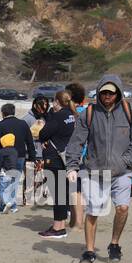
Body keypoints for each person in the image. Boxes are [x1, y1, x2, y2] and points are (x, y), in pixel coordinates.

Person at [63, 74, 132, 263]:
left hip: (122, 172)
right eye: (104, 92)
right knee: (93, 212)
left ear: (117, 93)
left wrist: (126, 160)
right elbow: (76, 142)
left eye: (111, 92)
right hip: (95, 171)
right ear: (99, 93)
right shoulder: (89, 113)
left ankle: (114, 244)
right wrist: (72, 166)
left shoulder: (130, 111)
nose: (107, 96)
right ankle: (90, 250)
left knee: (123, 208)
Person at [37, 90, 78, 237]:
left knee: (58, 194)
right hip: (66, 156)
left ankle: (58, 228)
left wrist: (45, 138)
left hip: (54, 158)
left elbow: (43, 133)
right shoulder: (71, 116)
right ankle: (59, 225)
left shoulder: (59, 116)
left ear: (57, 102)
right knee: (62, 193)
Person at [0, 103, 37, 214]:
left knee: (4, 181)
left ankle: (5, 204)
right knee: (15, 181)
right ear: (14, 112)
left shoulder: (0, 125)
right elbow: (30, 142)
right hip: (20, 156)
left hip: (5, 156)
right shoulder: (23, 124)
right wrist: (32, 157)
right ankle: (12, 204)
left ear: (3, 113)